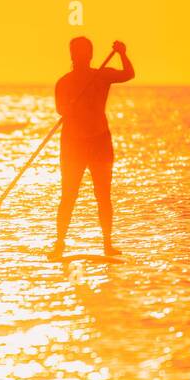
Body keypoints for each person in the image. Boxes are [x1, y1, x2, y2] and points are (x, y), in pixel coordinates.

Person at [47, 37, 135, 261]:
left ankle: (107, 244)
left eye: (86, 52)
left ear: (91, 54)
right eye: (78, 52)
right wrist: (71, 106)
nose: (82, 56)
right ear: (72, 55)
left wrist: (122, 53)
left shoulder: (102, 75)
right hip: (73, 143)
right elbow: (60, 109)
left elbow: (128, 74)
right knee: (69, 195)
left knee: (103, 195)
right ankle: (59, 245)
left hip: (99, 141)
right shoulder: (64, 82)